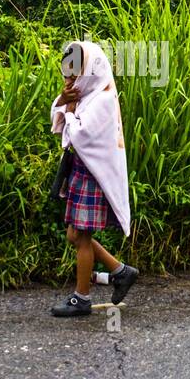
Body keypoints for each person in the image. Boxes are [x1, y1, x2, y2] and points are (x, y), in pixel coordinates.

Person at [50, 40, 137, 316]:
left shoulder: (103, 98)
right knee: (74, 235)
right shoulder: (88, 95)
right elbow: (59, 123)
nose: (72, 79)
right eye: (69, 73)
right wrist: (64, 102)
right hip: (82, 170)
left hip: (93, 174)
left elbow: (81, 134)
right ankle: (120, 271)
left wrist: (70, 109)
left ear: (91, 70)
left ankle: (82, 298)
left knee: (82, 236)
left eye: (76, 73)